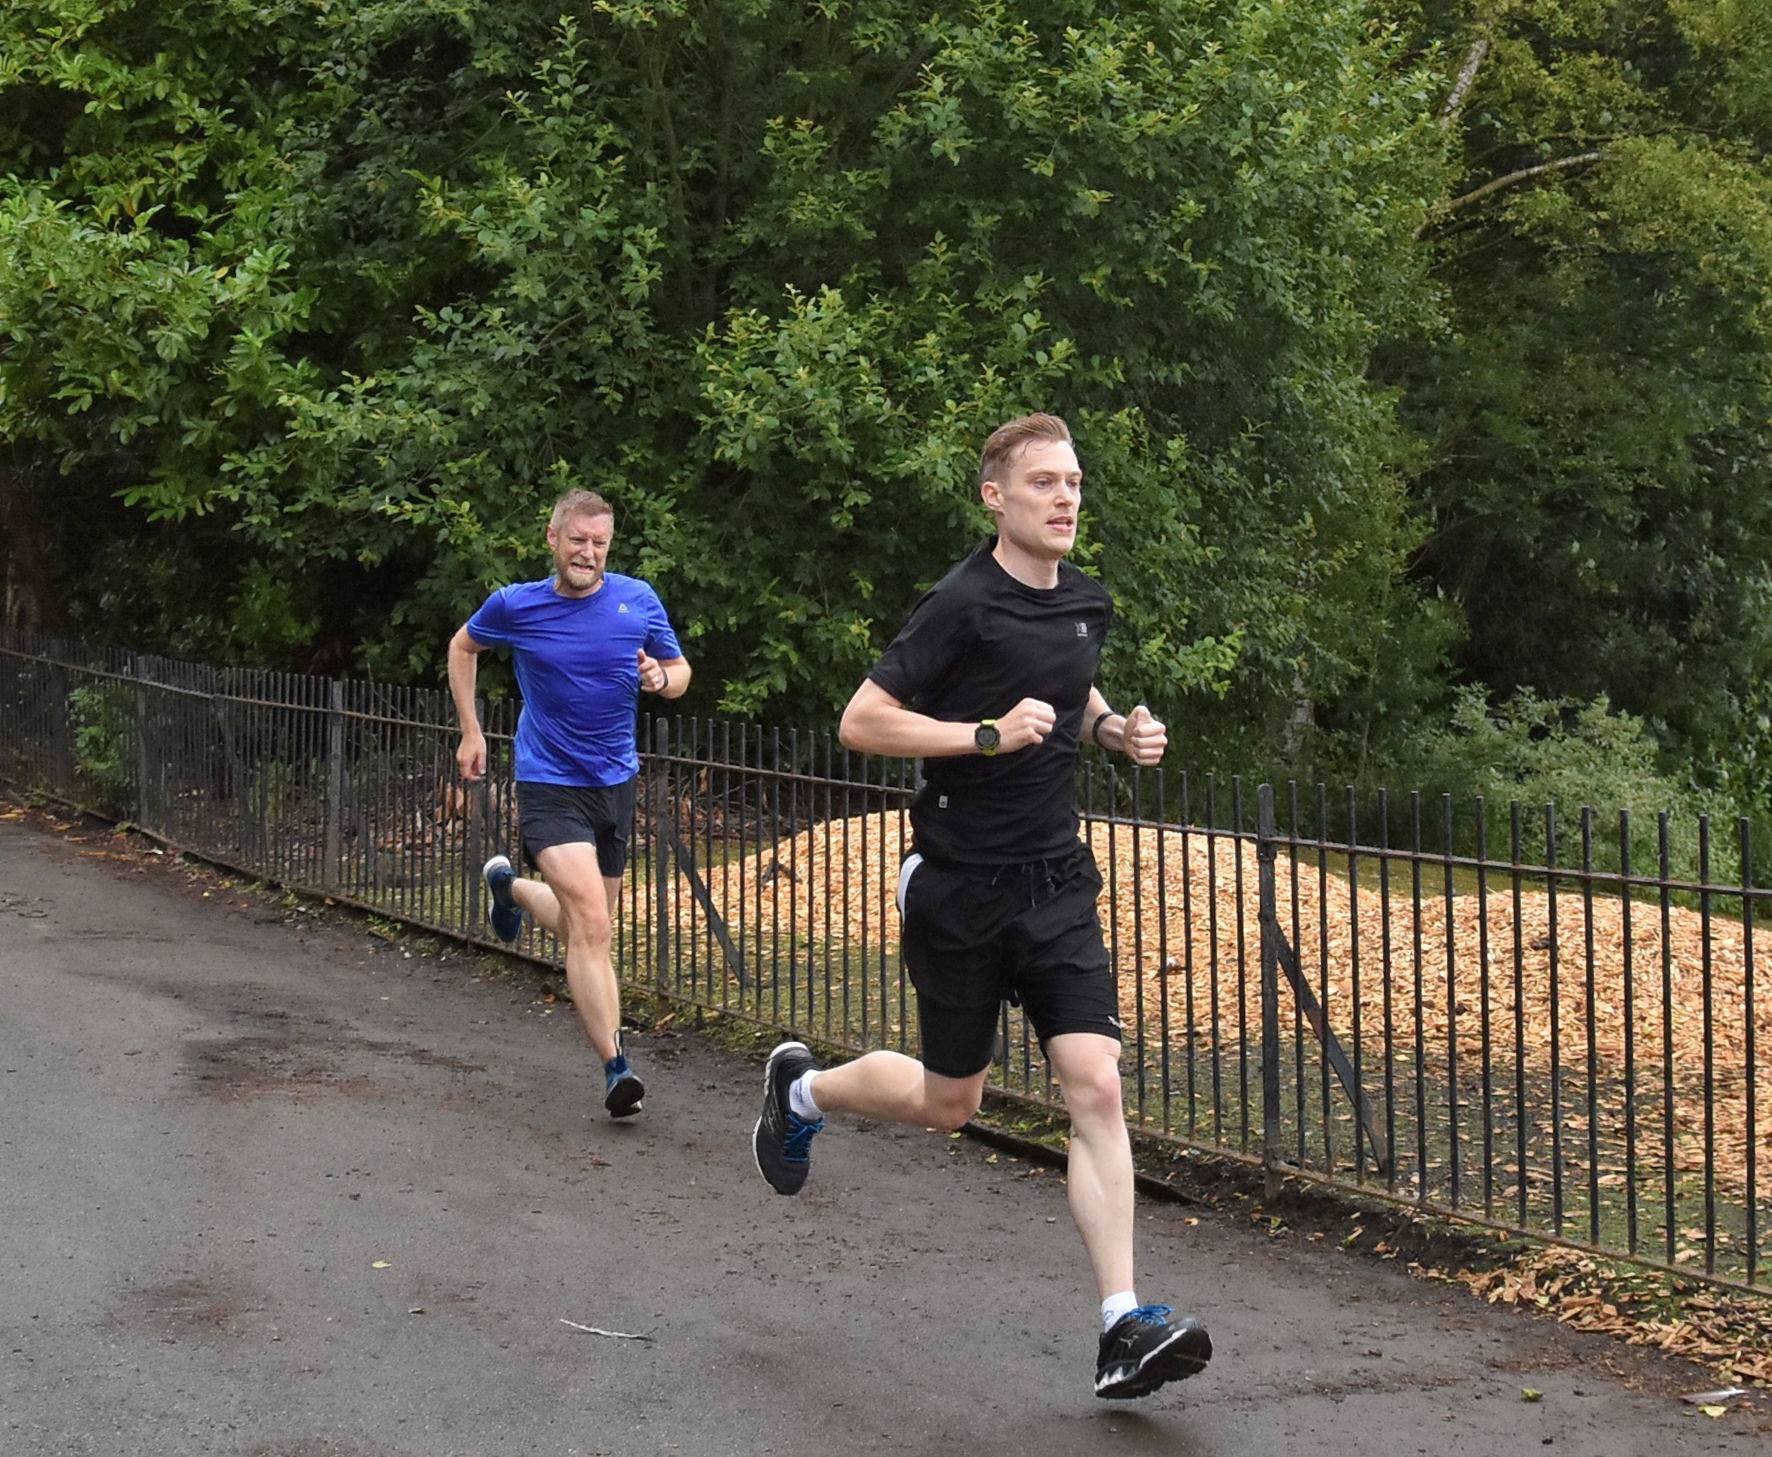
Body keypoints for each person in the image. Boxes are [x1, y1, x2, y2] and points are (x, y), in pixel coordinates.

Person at [751, 413, 1211, 1399]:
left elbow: (1071, 690)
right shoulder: (959, 603)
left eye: (1073, 481)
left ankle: (1121, 1322)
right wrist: (983, 735)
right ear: (994, 497)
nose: (1065, 497)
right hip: (958, 886)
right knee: (949, 1101)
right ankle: (803, 1091)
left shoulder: (1084, 601)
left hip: (1054, 882)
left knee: (1095, 1085)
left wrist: (1114, 731)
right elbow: (861, 720)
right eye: (1044, 482)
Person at [449, 488, 690, 1118]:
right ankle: (617, 1067)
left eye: (599, 543)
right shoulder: (516, 605)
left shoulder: (637, 599)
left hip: (615, 782)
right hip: (548, 782)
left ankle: (510, 889)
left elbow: (680, 671)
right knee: (593, 925)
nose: (588, 553)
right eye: (578, 540)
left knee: (589, 922)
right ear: (553, 539)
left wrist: (663, 678)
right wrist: (472, 731)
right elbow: (462, 647)